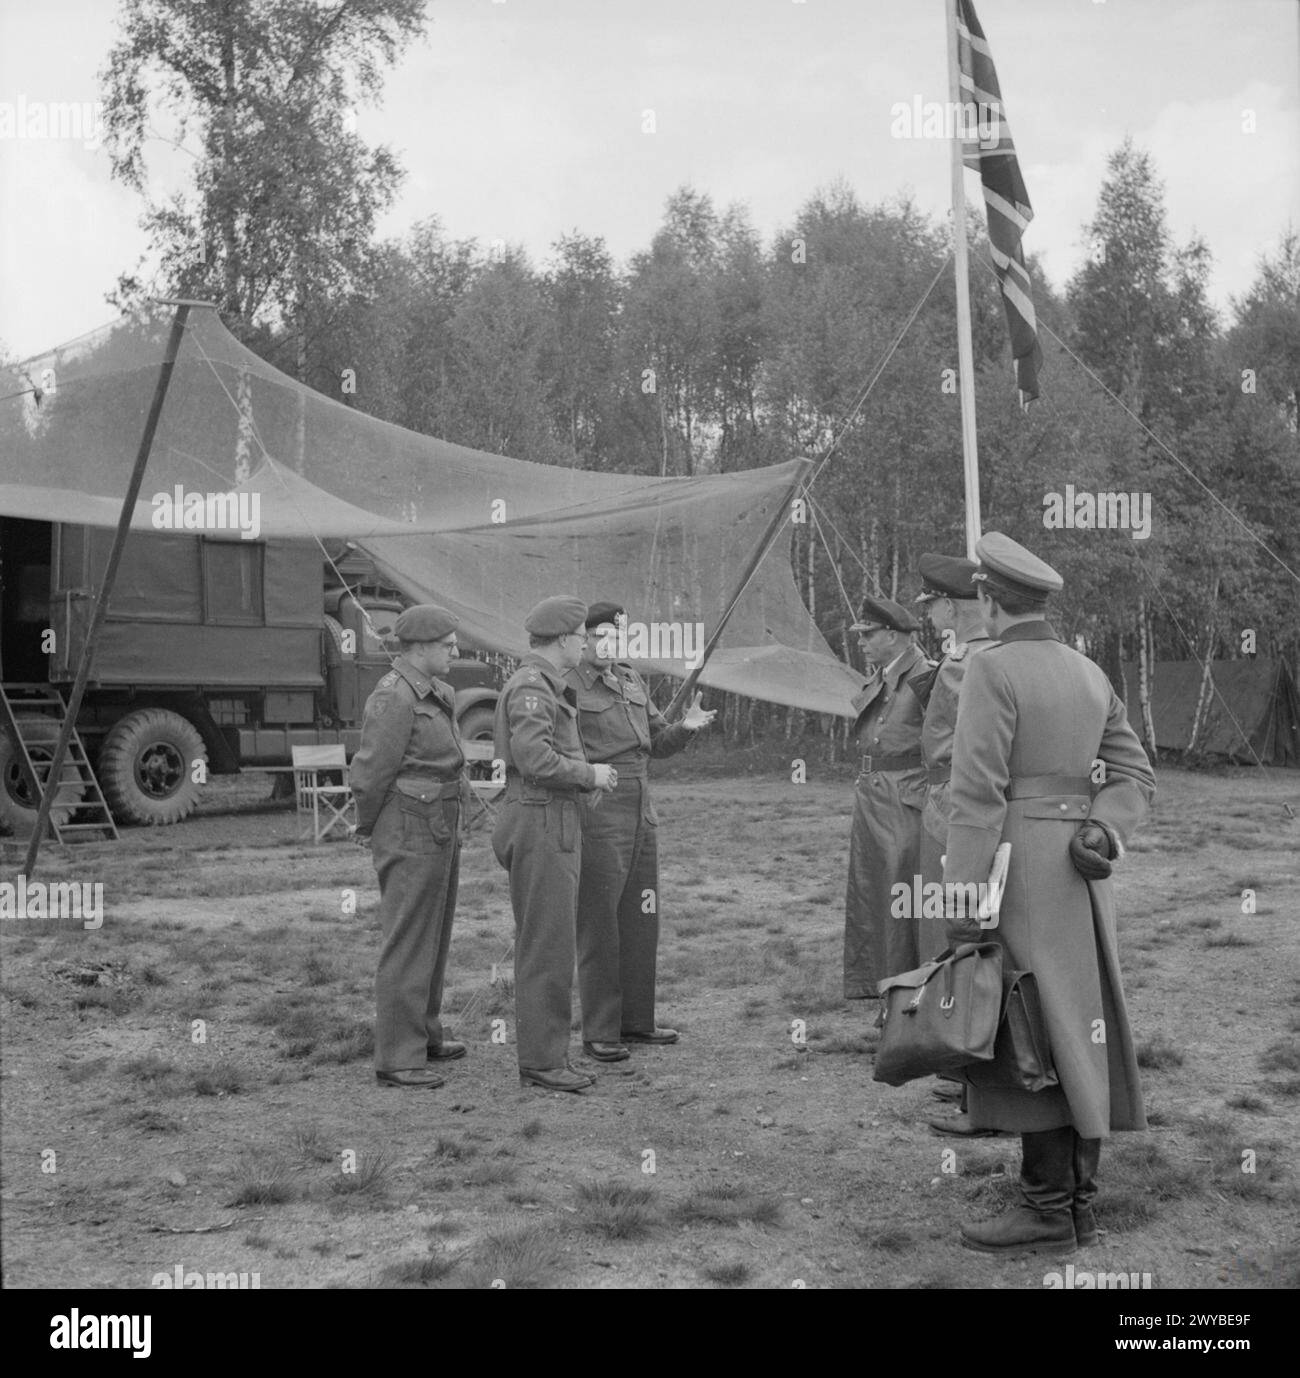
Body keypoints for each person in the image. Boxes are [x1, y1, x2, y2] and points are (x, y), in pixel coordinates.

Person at [943, 532, 1155, 1255]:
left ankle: (1044, 1209)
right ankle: (1076, 1207)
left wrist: (963, 898)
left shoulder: (989, 671)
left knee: (1034, 1028)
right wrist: (1104, 830)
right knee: (1076, 1028)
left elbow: (975, 793)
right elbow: (1135, 778)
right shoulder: (1089, 671)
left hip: (1016, 871)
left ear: (988, 600)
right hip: (1080, 874)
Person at [565, 603, 716, 1062]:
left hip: (640, 807)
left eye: (618, 638)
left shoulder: (630, 680)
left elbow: (658, 742)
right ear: (584, 639)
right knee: (600, 923)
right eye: (603, 637)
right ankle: (600, 1030)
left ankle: (636, 1022)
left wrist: (685, 728)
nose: (611, 646)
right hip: (599, 806)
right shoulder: (567, 685)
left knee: (640, 918)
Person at [492, 596, 617, 1092]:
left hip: (552, 817)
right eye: (583, 636)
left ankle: (547, 1056)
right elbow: (536, 758)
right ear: (564, 639)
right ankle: (543, 1062)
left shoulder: (544, 683)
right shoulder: (531, 686)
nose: (587, 643)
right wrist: (591, 774)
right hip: (541, 817)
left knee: (552, 938)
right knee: (548, 944)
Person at [350, 604, 468, 1090]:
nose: (456, 652)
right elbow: (371, 772)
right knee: (409, 935)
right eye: (447, 645)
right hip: (407, 823)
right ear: (419, 647)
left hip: (439, 818)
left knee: (434, 934)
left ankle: (423, 1034)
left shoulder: (436, 692)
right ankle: (397, 1057)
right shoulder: (393, 697)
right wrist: (370, 827)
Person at [913, 553, 999, 1134]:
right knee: (971, 937)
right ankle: (968, 1069)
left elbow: (959, 745)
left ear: (950, 606)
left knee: (960, 938)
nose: (929, 613)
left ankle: (970, 1072)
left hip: (956, 807)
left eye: (932, 604)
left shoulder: (969, 662)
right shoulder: (980, 656)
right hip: (970, 806)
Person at [843, 594, 934, 1000]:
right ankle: (881, 989)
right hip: (874, 794)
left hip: (906, 795)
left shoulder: (927, 677)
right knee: (871, 893)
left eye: (869, 635)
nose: (861, 643)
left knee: (904, 896)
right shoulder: (882, 676)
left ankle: (910, 994)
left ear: (894, 636)